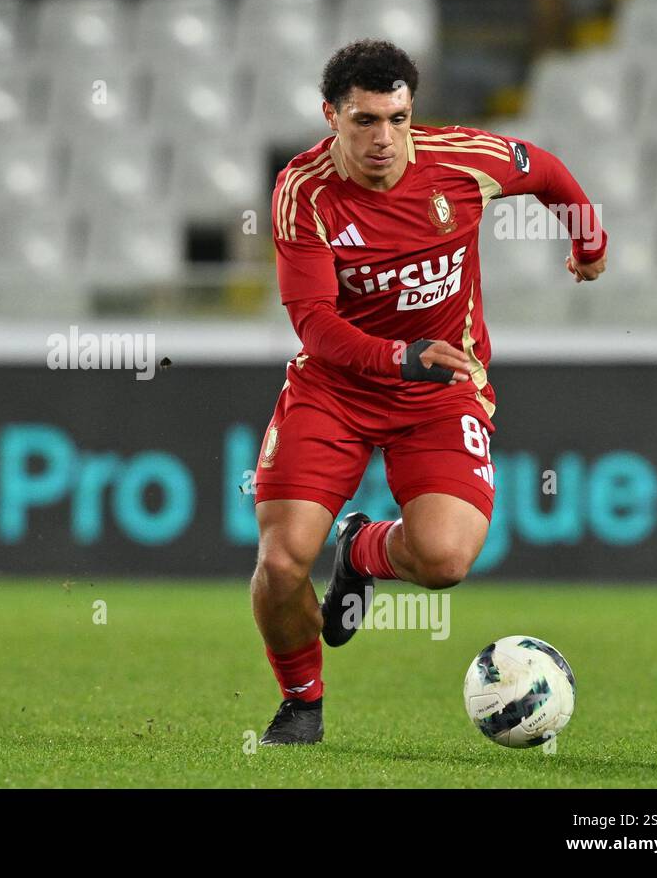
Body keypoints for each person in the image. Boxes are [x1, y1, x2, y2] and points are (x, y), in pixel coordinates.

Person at [251, 39, 607, 744]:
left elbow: (549, 171)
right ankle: (302, 701)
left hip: (442, 387)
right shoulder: (304, 191)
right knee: (283, 558)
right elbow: (315, 324)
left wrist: (588, 239)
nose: (384, 138)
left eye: (397, 118)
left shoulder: (461, 159)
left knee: (444, 561)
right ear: (331, 117)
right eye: (364, 121)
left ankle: (361, 549)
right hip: (337, 387)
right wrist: (395, 355)